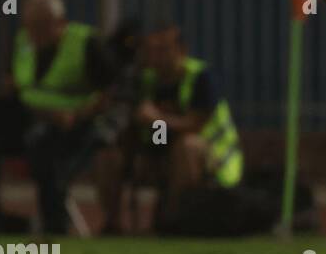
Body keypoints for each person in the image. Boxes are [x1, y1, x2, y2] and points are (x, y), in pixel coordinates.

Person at [95, 21, 242, 233]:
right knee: (108, 154)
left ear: (182, 51)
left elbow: (195, 125)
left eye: (163, 50)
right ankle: (112, 224)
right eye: (151, 50)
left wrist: (157, 119)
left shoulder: (201, 77)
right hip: (157, 152)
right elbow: (143, 129)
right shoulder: (144, 80)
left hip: (212, 157)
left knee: (186, 147)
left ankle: (173, 222)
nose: (156, 57)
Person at [9, 0, 114, 234]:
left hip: (82, 127)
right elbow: (17, 85)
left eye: (42, 27)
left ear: (60, 22)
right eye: (31, 26)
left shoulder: (88, 43)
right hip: (38, 123)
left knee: (51, 157)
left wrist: (77, 116)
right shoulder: (23, 42)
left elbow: (113, 93)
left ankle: (59, 226)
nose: (35, 34)